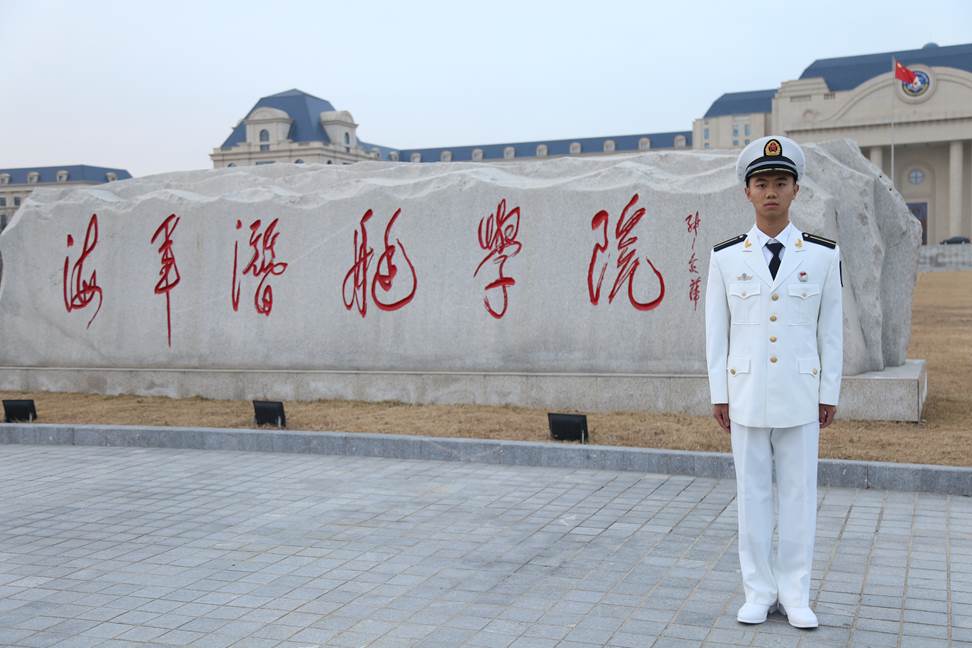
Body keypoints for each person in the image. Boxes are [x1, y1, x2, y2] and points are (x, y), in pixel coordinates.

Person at [704, 135, 843, 629]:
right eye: (761, 183)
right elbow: (716, 333)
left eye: (780, 182)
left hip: (802, 395)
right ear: (747, 192)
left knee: (801, 496)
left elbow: (831, 330)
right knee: (753, 495)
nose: (771, 192)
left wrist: (830, 393)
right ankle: (759, 591)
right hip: (745, 393)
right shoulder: (725, 257)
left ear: (795, 190)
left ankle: (796, 592)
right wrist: (719, 393)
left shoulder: (824, 255)